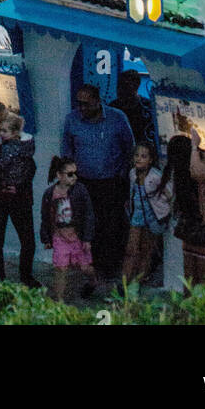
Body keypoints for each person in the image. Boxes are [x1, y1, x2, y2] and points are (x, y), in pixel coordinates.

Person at [61, 83, 134, 284]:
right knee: (86, 224)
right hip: (83, 181)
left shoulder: (116, 118)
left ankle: (109, 266)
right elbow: (67, 148)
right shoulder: (72, 119)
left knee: (110, 224)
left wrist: (123, 174)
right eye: (79, 104)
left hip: (111, 181)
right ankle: (89, 264)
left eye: (86, 104)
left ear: (97, 101)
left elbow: (129, 147)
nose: (82, 108)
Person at [159, 129, 205, 284]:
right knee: (190, 279)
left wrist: (194, 147)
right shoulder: (182, 174)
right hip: (193, 230)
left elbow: (198, 172)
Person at [0, 111, 40, 287]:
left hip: (19, 197)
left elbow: (31, 167)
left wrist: (18, 185)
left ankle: (26, 275)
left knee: (27, 239)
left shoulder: (19, 146)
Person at [40, 156, 96, 300]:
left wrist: (87, 238)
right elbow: (45, 216)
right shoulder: (50, 193)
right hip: (60, 237)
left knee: (84, 267)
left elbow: (89, 214)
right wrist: (46, 237)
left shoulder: (80, 190)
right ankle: (59, 301)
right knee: (61, 268)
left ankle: (92, 281)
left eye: (75, 173)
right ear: (59, 175)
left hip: (77, 236)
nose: (74, 177)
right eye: (70, 174)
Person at [122, 140, 172, 283]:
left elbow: (169, 193)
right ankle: (125, 282)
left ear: (150, 160)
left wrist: (164, 210)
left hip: (152, 215)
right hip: (137, 215)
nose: (139, 159)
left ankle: (139, 279)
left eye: (143, 156)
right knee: (131, 250)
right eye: (137, 155)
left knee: (146, 249)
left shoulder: (156, 176)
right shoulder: (132, 174)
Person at [111, 70, 155, 146]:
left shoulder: (147, 107)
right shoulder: (113, 107)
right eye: (119, 86)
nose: (121, 90)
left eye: (126, 86)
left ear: (136, 86)